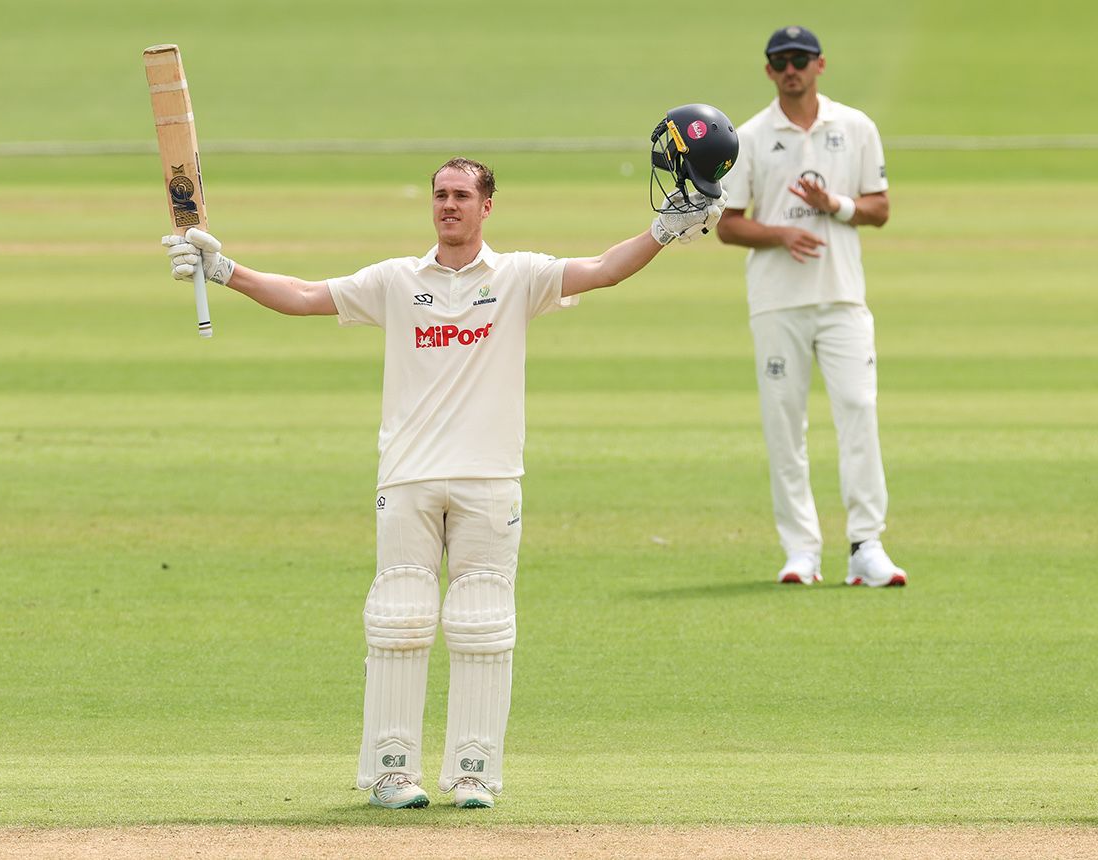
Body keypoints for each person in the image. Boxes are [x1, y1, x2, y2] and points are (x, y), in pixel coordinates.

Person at [163, 138, 729, 808]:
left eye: (462, 196)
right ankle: (392, 771)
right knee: (400, 619)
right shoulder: (397, 281)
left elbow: (604, 269)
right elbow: (307, 295)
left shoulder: (519, 276)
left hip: (490, 478)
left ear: (487, 206)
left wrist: (664, 230)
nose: (449, 206)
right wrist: (226, 270)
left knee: (482, 623)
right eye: (440, 195)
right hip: (408, 477)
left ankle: (472, 773)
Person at [715, 26, 907, 588]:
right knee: (784, 426)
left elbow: (880, 208)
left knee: (858, 410)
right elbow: (728, 225)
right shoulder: (748, 137)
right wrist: (781, 235)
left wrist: (835, 205)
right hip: (777, 303)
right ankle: (801, 550)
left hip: (843, 297)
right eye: (780, 62)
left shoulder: (855, 127)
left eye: (799, 59)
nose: (790, 69)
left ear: (820, 64)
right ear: (769, 71)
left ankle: (867, 546)